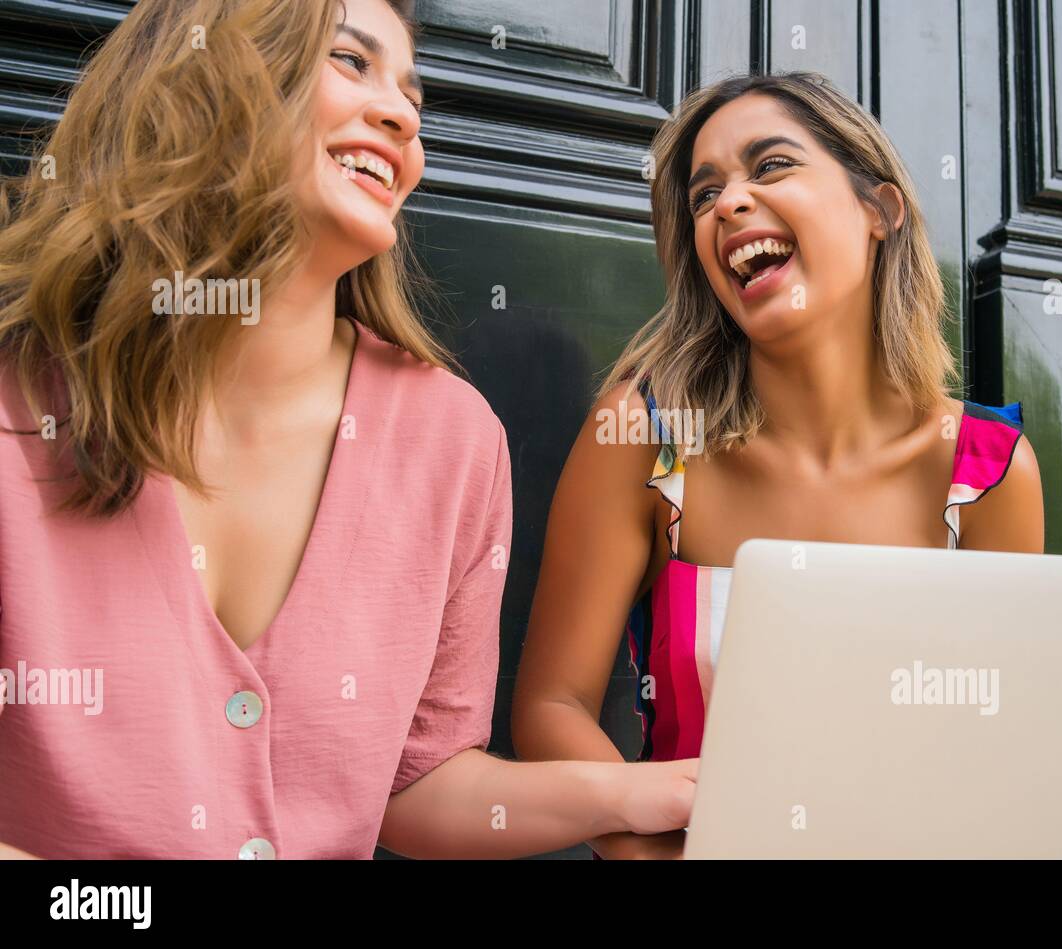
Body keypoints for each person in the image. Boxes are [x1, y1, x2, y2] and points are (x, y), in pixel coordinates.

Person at [0, 0, 694, 860]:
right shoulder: (17, 403)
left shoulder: (455, 440)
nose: (403, 115)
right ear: (199, 75)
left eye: (411, 94)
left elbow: (420, 783)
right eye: (350, 62)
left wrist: (638, 789)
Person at [512, 72, 1044, 860]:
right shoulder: (645, 435)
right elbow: (552, 706)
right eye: (703, 194)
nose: (727, 203)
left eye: (769, 167)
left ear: (879, 211)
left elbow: (1007, 745)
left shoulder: (989, 471)